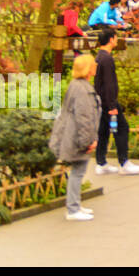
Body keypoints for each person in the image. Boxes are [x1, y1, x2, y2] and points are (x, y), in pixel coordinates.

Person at [50, 52, 102, 222]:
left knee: (78, 172)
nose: (95, 66)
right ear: (88, 68)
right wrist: (88, 141)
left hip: (73, 135)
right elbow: (84, 117)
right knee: (78, 172)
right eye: (93, 64)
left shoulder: (78, 85)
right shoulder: (82, 89)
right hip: (77, 138)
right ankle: (73, 209)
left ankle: (76, 205)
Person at [93, 27, 139, 176]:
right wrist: (112, 105)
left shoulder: (99, 56)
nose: (117, 40)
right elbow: (109, 84)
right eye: (116, 37)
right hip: (109, 103)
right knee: (121, 128)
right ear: (111, 39)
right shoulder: (107, 58)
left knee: (103, 131)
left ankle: (101, 163)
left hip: (101, 102)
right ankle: (124, 162)